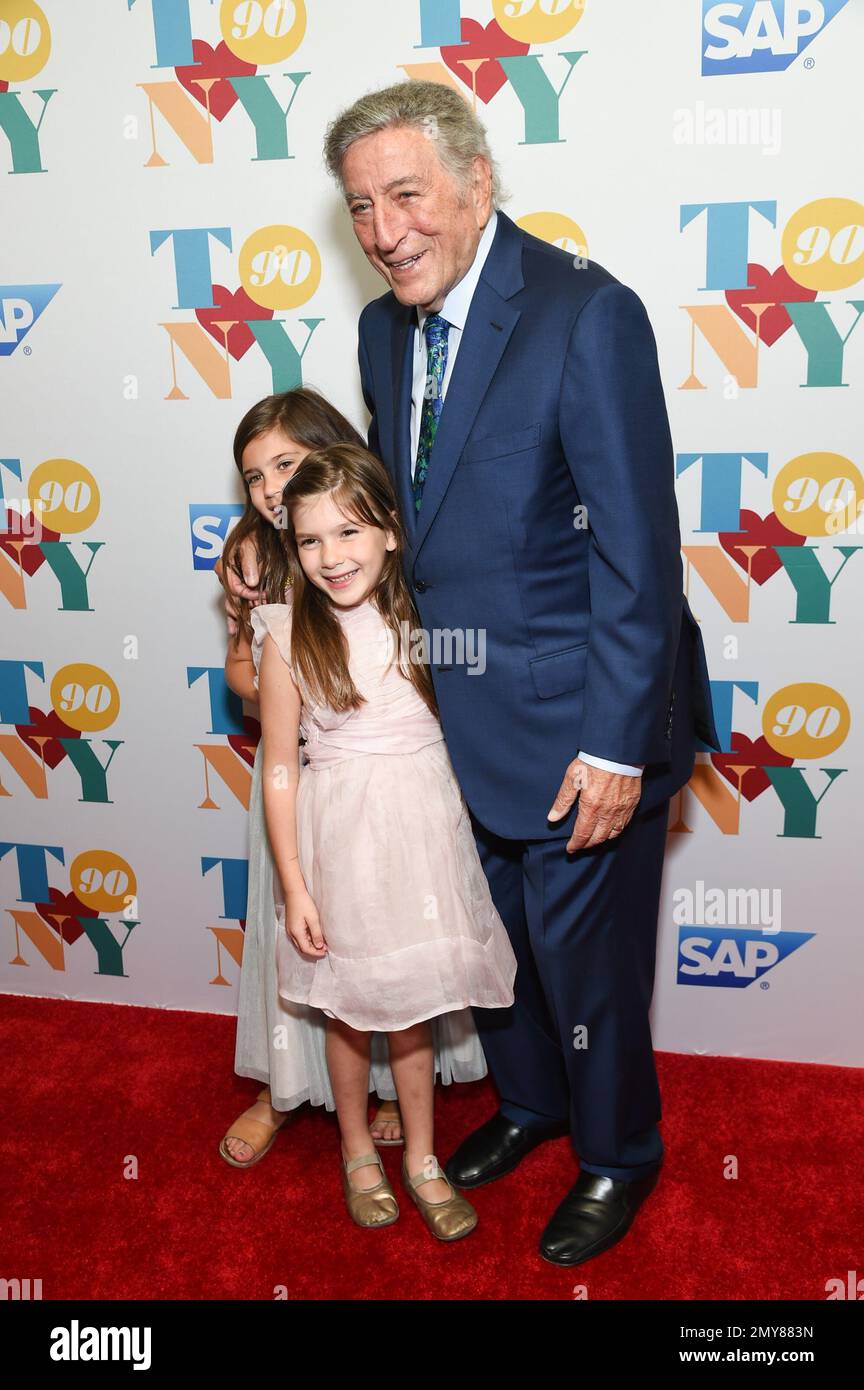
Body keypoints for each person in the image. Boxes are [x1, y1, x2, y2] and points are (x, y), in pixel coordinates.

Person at [227, 81, 720, 1266]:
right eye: (361, 209)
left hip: (580, 724)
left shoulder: (584, 316)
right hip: (454, 721)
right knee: (495, 957)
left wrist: (614, 744)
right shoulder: (380, 332)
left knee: (589, 971)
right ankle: (538, 1106)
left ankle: (617, 1153)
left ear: (478, 182)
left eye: (407, 196)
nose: (387, 231)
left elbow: (637, 552)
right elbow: (400, 525)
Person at [249, 442, 517, 1239]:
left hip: (427, 839)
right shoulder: (287, 631)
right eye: (308, 540)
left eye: (349, 533)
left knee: (416, 1010)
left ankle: (424, 1156)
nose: (330, 557)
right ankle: (358, 1148)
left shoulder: (429, 614)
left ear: (392, 532)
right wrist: (295, 883)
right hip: (342, 844)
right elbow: (280, 771)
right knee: (347, 1009)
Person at [217, 389, 489, 1167]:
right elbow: (246, 682)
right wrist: (272, 644)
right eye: (254, 477)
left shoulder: (383, 557)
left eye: (287, 467)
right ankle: (283, 1095)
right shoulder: (251, 556)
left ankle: (388, 1103)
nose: (271, 490)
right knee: (300, 952)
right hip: (306, 779)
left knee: (386, 951)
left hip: (394, 787)